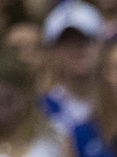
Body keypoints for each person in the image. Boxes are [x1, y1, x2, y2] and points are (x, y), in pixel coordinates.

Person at [43, 1, 104, 130]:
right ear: (52, 52)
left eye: (85, 40)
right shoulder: (42, 109)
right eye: (66, 42)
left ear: (101, 46)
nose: (77, 48)